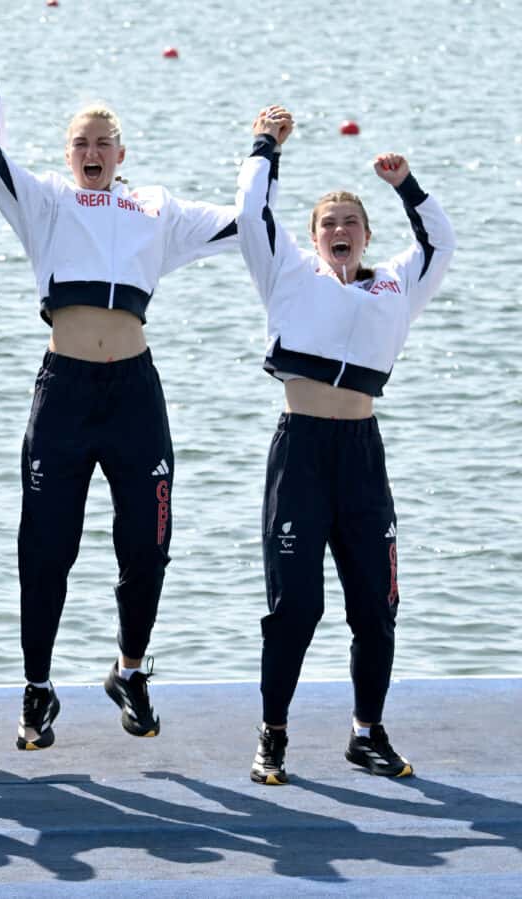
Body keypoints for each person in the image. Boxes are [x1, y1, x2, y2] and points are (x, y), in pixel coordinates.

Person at [0, 35, 239, 751]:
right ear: (67, 153)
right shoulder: (46, 204)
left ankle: (131, 668)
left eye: (103, 142)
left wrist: (264, 154)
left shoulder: (154, 210)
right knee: (46, 548)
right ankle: (36, 686)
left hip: (135, 393)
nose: (92, 151)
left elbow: (246, 226)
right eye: (81, 142)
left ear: (122, 154)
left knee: (147, 543)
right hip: (66, 391)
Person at [237, 106, 455, 785]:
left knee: (376, 607)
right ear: (312, 237)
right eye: (328, 223)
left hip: (362, 453)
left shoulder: (396, 284)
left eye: (350, 223)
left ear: (366, 236)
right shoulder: (288, 273)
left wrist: (407, 184)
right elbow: (250, 214)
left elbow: (441, 243)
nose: (339, 231)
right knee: (296, 607)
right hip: (301, 451)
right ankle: (272, 734)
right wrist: (266, 145)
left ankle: (367, 731)